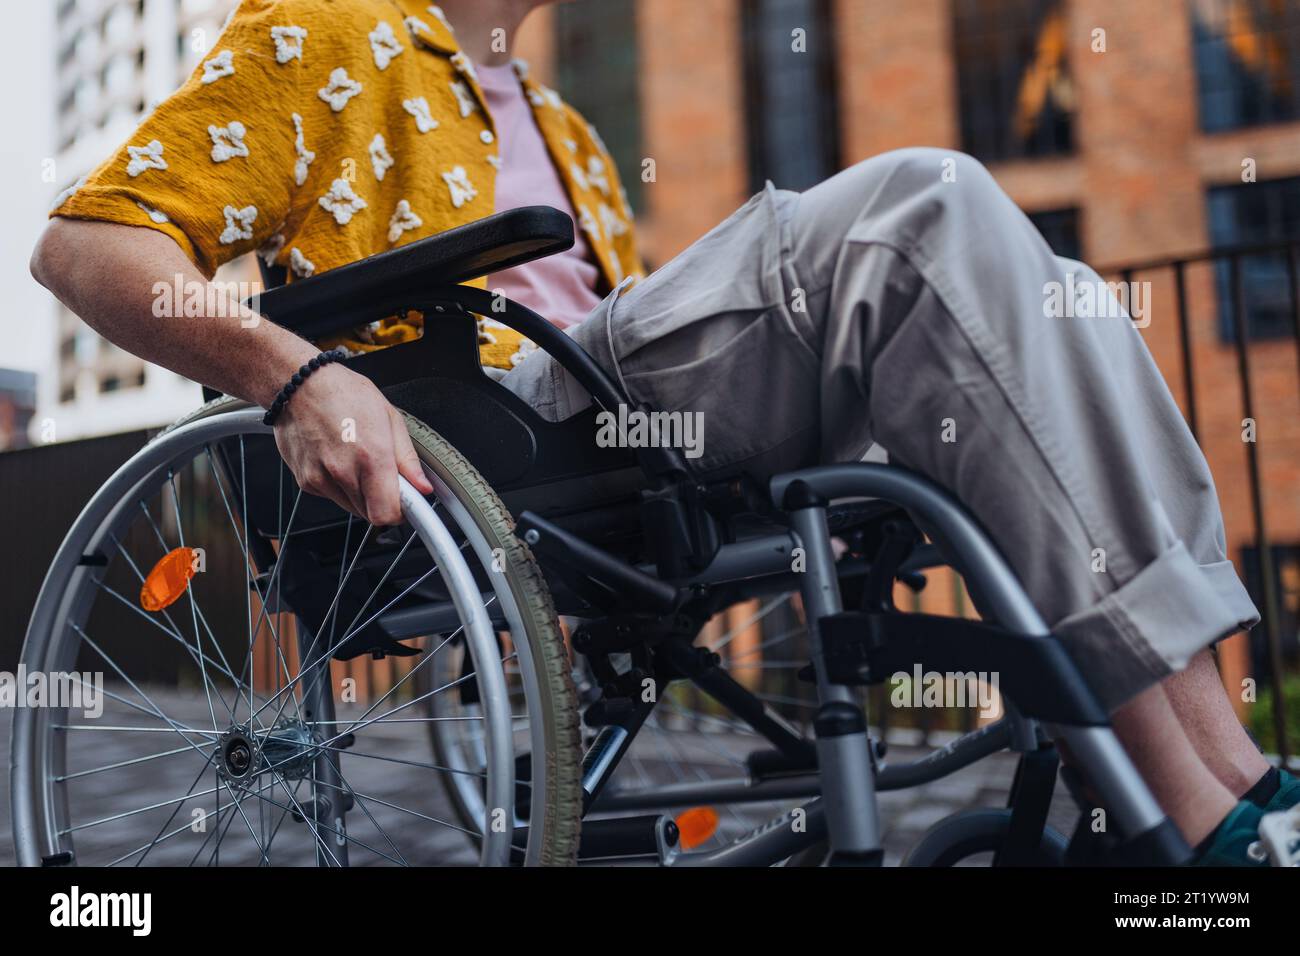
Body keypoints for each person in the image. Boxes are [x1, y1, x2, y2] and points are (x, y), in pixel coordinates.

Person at [30, 0, 1298, 864]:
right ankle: (1212, 811)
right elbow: (83, 244)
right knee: (925, 207)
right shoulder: (327, 30)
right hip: (484, 416)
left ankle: (1209, 781)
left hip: (627, 422)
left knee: (1035, 293)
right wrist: (292, 374)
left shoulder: (563, 126)